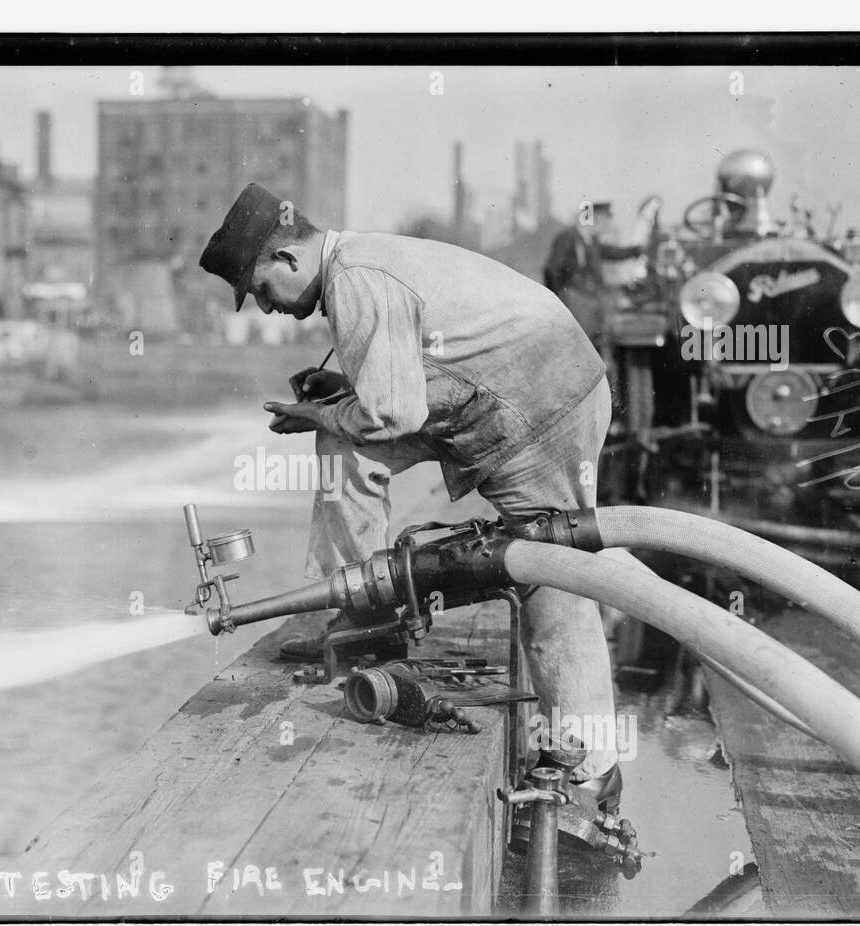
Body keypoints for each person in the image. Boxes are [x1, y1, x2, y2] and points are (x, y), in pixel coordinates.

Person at [199, 183, 621, 798]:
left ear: (288, 259)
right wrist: (344, 390)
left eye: (262, 291)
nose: (267, 309)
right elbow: (416, 374)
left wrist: (320, 413)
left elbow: (391, 416)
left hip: (542, 404)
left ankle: (590, 772)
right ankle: (362, 617)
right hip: (495, 395)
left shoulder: (357, 280)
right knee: (345, 445)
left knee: (550, 572)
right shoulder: (359, 264)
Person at [543, 201, 646, 346]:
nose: (608, 225)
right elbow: (552, 269)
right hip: (575, 300)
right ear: (596, 219)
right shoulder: (569, 237)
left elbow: (612, 252)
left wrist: (637, 250)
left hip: (589, 301)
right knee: (579, 344)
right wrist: (556, 301)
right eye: (606, 220)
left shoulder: (590, 240)